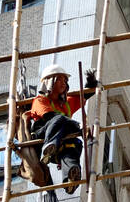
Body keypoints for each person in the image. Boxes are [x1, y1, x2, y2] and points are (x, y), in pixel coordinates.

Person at [28, 64, 98, 193]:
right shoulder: (40, 100)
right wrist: (78, 127)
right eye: (60, 79)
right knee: (59, 119)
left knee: (74, 145)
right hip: (42, 138)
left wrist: (91, 82)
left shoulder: (66, 103)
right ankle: (48, 149)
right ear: (49, 81)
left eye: (65, 80)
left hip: (59, 145)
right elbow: (50, 116)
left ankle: (71, 177)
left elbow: (84, 95)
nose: (64, 83)